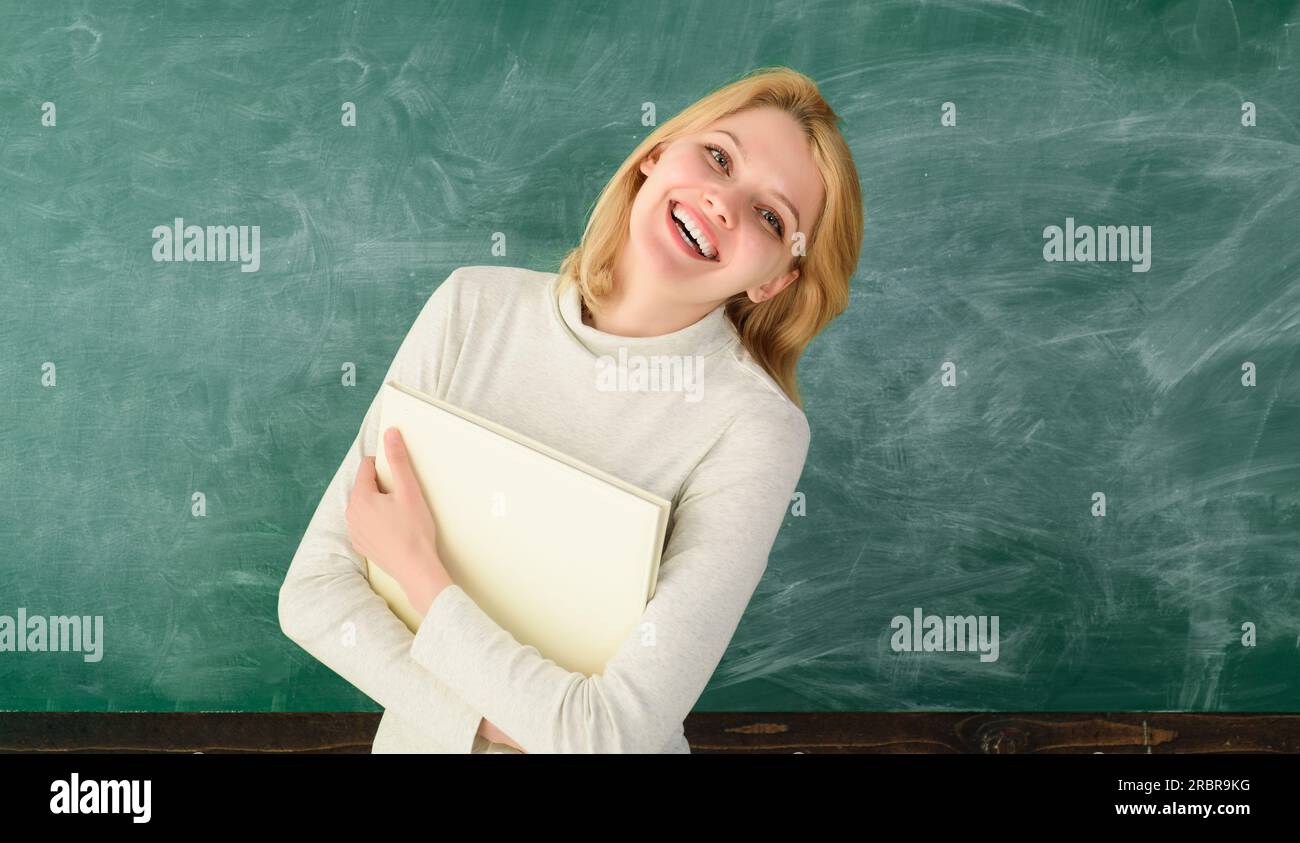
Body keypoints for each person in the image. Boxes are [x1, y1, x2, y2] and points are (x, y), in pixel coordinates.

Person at [278, 65, 864, 753]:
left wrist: (421, 572)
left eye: (771, 216)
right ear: (655, 155)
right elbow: (314, 597)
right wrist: (537, 724)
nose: (723, 202)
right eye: (717, 156)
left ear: (773, 280)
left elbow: (617, 735)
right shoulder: (473, 307)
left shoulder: (756, 428)